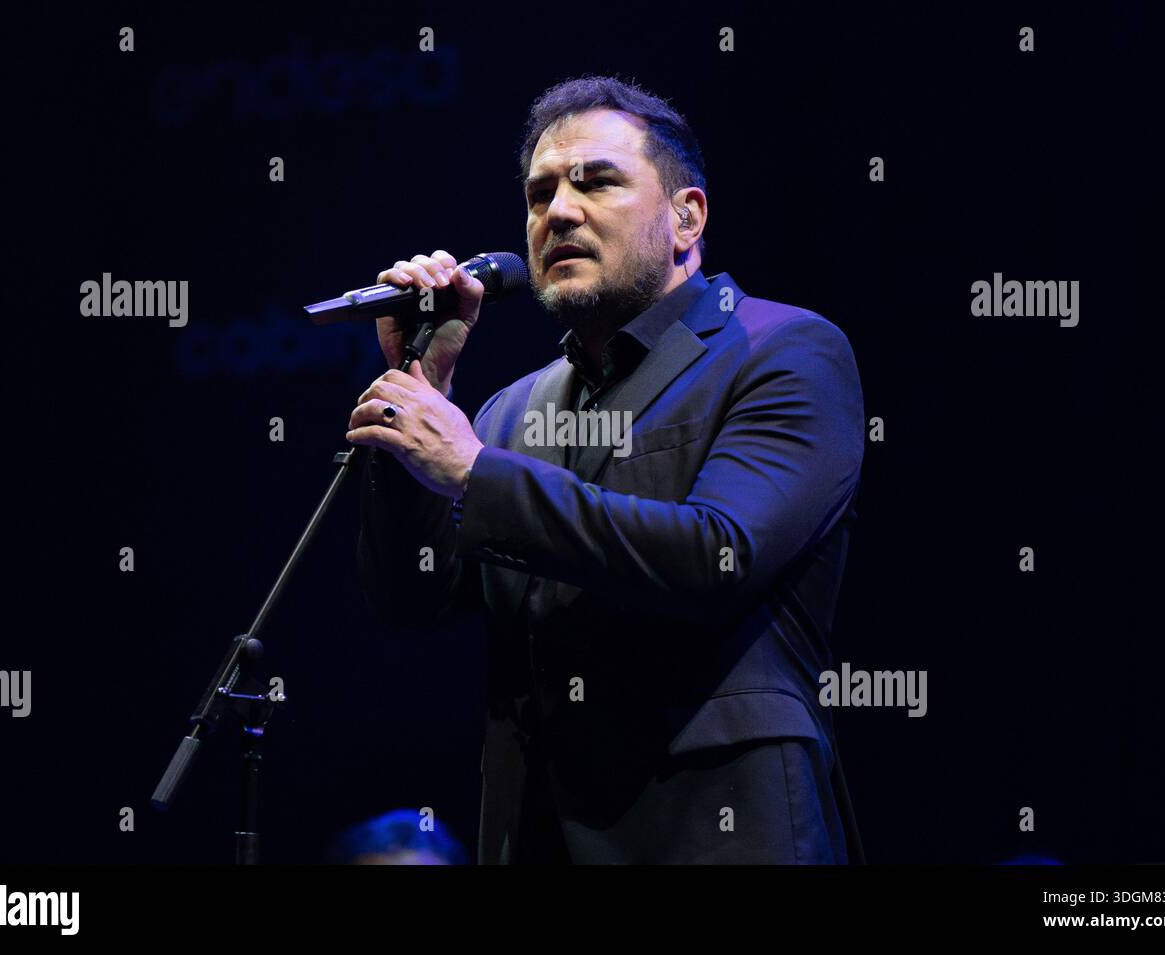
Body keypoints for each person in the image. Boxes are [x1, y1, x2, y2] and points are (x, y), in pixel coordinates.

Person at [347, 76, 866, 864]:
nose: (557, 212)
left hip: (718, 832)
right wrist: (422, 397)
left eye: (596, 182)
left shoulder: (785, 351)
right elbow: (414, 604)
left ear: (686, 215)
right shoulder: (510, 412)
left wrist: (470, 469)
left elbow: (716, 554)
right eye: (539, 193)